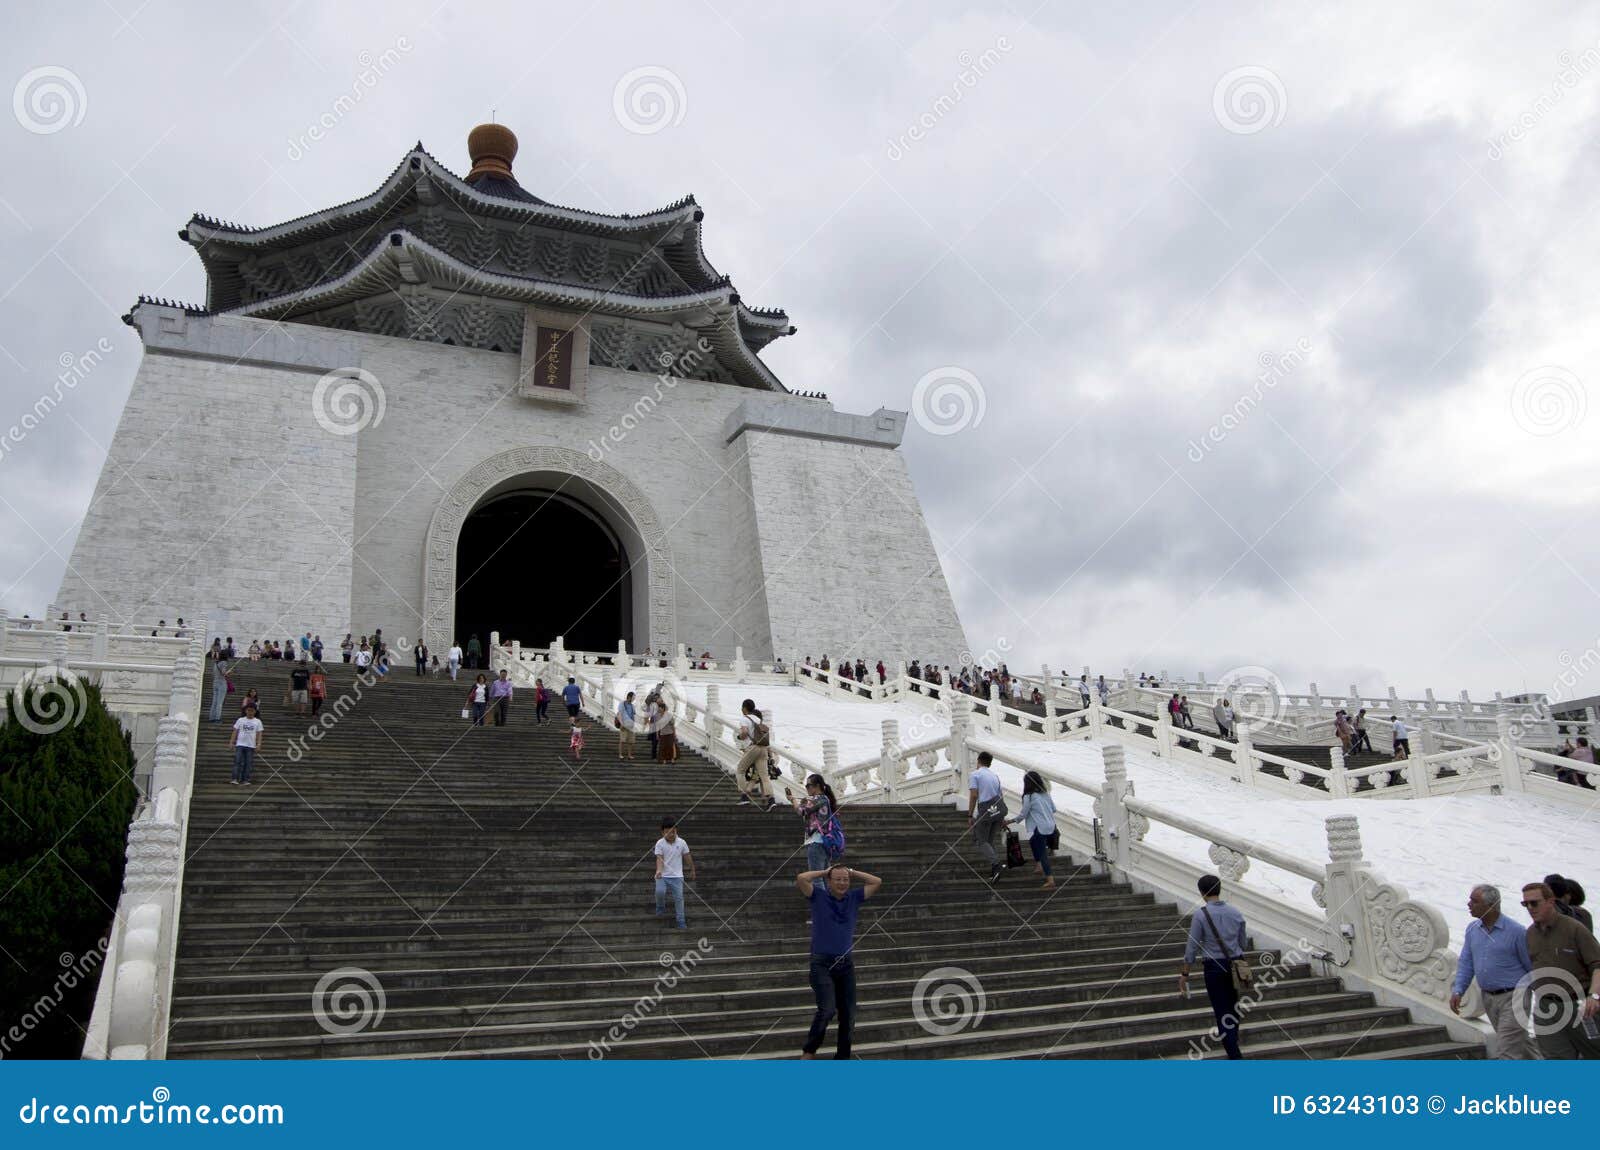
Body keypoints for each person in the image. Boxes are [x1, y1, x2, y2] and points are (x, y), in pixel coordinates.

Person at [794, 863, 882, 1059]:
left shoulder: (854, 897)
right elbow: (801, 878)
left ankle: (842, 1059)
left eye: (845, 880)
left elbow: (877, 881)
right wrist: (826, 871)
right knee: (827, 1010)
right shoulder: (818, 896)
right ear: (829, 882)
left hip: (845, 965)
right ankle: (809, 1052)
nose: (842, 883)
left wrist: (851, 872)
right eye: (838, 879)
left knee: (848, 1016)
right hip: (821, 964)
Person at [1448, 884, 1537, 1059]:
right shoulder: (1473, 929)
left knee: (1506, 1050)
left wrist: (1541, 993)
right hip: (1488, 997)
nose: (1469, 904)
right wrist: (1459, 989)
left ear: (1491, 906)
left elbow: (1530, 965)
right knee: (1521, 1043)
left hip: (1514, 996)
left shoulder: (1516, 931)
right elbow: (1466, 961)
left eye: (1475, 901)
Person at [1521, 881, 1600, 1059]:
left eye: (1534, 903)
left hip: (1579, 1005)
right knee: (1555, 1060)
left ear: (1551, 901)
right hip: (1546, 1007)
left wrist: (1594, 996)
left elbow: (1597, 965)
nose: (1530, 908)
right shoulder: (1530, 934)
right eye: (1525, 904)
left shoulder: (1574, 929)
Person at [1179, 874, 1248, 1059]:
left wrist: (1185, 973)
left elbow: (1192, 946)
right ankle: (1233, 1046)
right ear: (1219, 889)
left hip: (1213, 968)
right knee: (1233, 1009)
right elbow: (1243, 943)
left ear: (1202, 892)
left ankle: (1235, 1055)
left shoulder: (1201, 915)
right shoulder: (1235, 912)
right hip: (1235, 965)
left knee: (1221, 1011)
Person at [788, 773, 843, 887]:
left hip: (816, 842)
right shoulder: (824, 799)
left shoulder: (818, 798)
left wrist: (792, 800)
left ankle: (822, 904)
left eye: (809, 785)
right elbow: (808, 811)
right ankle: (827, 902)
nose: (807, 788)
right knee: (824, 877)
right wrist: (804, 802)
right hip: (825, 842)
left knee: (816, 878)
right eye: (806, 786)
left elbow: (801, 811)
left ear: (817, 786)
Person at [1008, 769, 1057, 891]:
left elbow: (1023, 814)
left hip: (1040, 827)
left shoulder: (1028, 797)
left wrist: (1010, 821)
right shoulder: (1045, 794)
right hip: (1050, 826)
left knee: (1042, 853)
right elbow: (1054, 809)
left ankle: (1050, 880)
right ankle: (1039, 866)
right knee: (1033, 841)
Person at [968, 750, 1007, 882]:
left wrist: (970, 815)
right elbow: (1000, 796)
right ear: (989, 764)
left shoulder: (975, 775)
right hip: (998, 811)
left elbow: (974, 795)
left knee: (980, 840)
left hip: (985, 811)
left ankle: (996, 865)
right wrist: (1001, 817)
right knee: (989, 842)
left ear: (978, 761)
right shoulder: (995, 776)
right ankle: (994, 869)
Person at [652, 818, 695, 929]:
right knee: (660, 892)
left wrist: (692, 869)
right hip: (662, 875)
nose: (670, 834)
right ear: (663, 832)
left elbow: (687, 856)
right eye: (667, 832)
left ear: (676, 830)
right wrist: (659, 871)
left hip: (677, 876)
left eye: (673, 832)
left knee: (679, 898)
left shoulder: (682, 842)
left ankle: (681, 921)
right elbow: (659, 859)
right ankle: (660, 907)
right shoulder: (660, 843)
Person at [734, 698, 775, 809]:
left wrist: (740, 736)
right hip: (763, 748)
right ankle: (771, 799)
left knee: (740, 770)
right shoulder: (758, 719)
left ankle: (744, 796)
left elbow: (745, 732)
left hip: (753, 747)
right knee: (764, 775)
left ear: (744, 708)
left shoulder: (744, 719)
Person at [230, 702, 263, 786]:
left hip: (251, 745)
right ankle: (235, 778)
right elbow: (235, 731)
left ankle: (245, 779)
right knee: (237, 761)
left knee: (248, 763)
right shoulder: (240, 720)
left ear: (255, 711)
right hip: (240, 744)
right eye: (248, 710)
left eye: (252, 710)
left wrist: (258, 744)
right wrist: (232, 742)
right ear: (245, 711)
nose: (250, 712)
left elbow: (259, 734)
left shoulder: (258, 721)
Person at [208, 648, 232, 722]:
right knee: (219, 702)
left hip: (215, 682)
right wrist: (229, 672)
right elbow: (224, 673)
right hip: (221, 683)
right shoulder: (224, 663)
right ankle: (217, 718)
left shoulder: (216, 663)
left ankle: (211, 717)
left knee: (214, 701)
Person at [616, 691, 638, 760]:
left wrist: (634, 724)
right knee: (622, 740)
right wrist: (621, 724)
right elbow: (619, 714)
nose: (633, 699)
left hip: (631, 725)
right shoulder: (622, 704)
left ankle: (629, 755)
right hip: (624, 725)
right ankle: (620, 754)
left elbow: (633, 715)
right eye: (633, 698)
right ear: (629, 697)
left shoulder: (632, 706)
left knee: (630, 741)